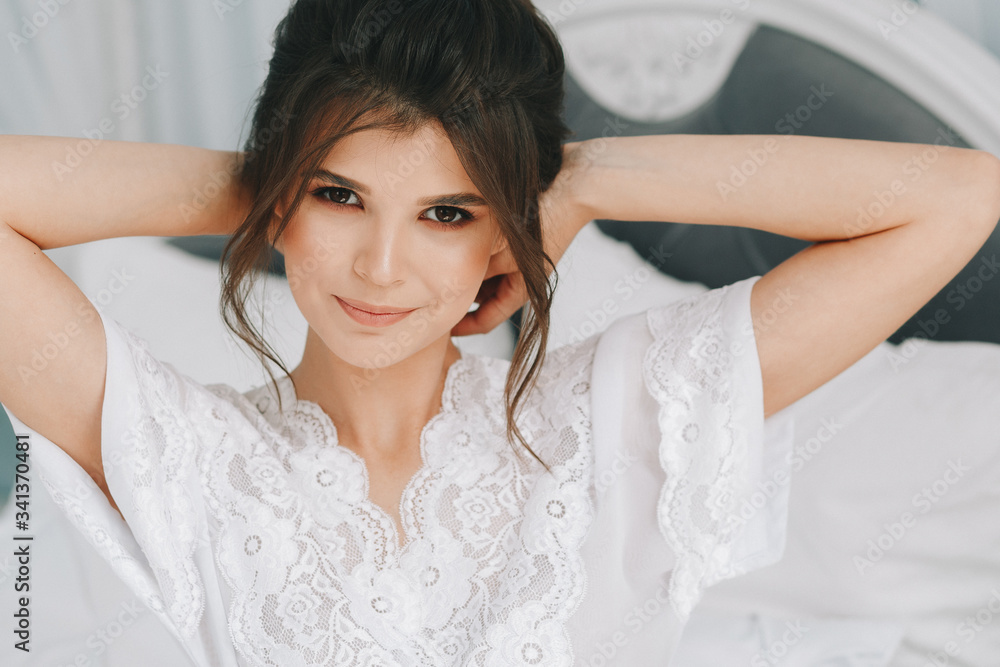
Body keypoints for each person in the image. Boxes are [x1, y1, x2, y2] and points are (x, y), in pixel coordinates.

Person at [2, 0, 999, 664]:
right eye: (340, 196)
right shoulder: (182, 455)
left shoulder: (613, 426)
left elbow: (957, 197)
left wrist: (587, 178)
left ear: (505, 231)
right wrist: (267, 183)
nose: (381, 267)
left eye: (449, 211)